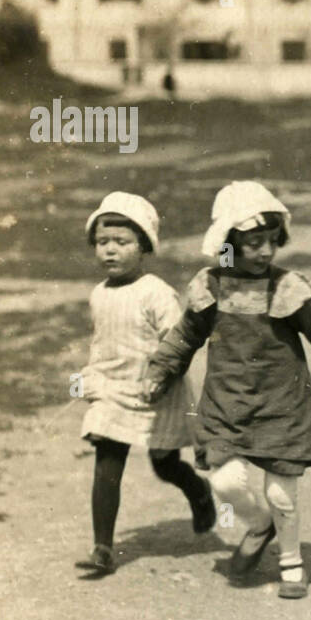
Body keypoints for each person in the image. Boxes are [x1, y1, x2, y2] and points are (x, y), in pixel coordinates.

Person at [144, 182, 311, 600]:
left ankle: (291, 560)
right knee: (225, 483)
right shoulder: (210, 288)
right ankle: (259, 525)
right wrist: (160, 370)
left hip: (282, 406)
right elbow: (183, 337)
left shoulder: (285, 289)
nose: (264, 252)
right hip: (227, 406)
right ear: (227, 245)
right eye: (252, 243)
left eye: (270, 242)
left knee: (282, 493)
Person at [77, 192, 215, 576]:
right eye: (103, 242)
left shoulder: (155, 292)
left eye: (122, 243)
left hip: (158, 391)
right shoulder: (98, 295)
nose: (111, 251)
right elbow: (100, 342)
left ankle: (197, 490)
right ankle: (103, 547)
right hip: (114, 388)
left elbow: (179, 340)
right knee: (107, 458)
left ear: (143, 247)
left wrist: (161, 376)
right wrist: (92, 377)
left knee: (164, 463)